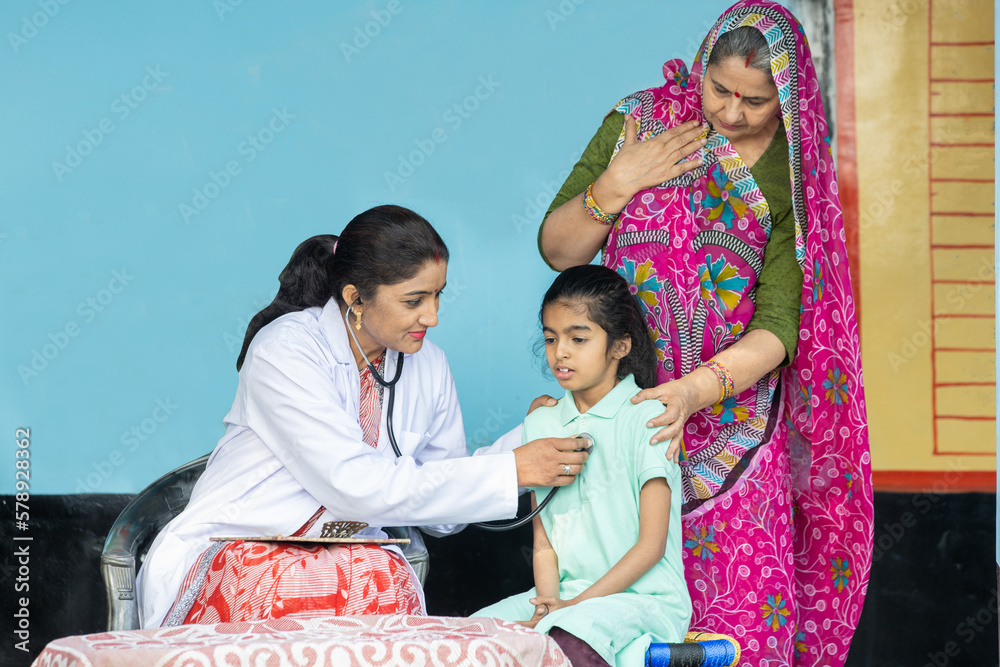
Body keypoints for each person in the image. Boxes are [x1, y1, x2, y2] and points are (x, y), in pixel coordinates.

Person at [536, 3, 873, 665]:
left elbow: (780, 326)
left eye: (756, 100)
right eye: (720, 90)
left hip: (737, 432)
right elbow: (559, 249)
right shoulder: (639, 123)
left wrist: (693, 393)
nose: (732, 113)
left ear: (788, 96)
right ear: (701, 69)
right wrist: (617, 182)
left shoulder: (791, 174)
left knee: (739, 628)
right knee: (615, 627)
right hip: (626, 417)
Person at [137, 205, 590, 628]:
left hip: (353, 552)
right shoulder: (287, 349)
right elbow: (352, 486)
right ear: (355, 297)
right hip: (239, 545)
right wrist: (510, 469)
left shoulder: (429, 363)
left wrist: (526, 442)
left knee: (378, 578)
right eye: (414, 300)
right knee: (298, 586)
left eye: (438, 296)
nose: (431, 317)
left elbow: (442, 517)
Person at [476, 265, 691, 667]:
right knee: (471, 636)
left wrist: (572, 606)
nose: (561, 352)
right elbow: (544, 544)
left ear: (620, 345)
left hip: (642, 598)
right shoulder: (540, 423)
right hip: (566, 595)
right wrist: (547, 605)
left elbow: (651, 547)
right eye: (551, 338)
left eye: (578, 338)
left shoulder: (648, 418)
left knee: (567, 637)